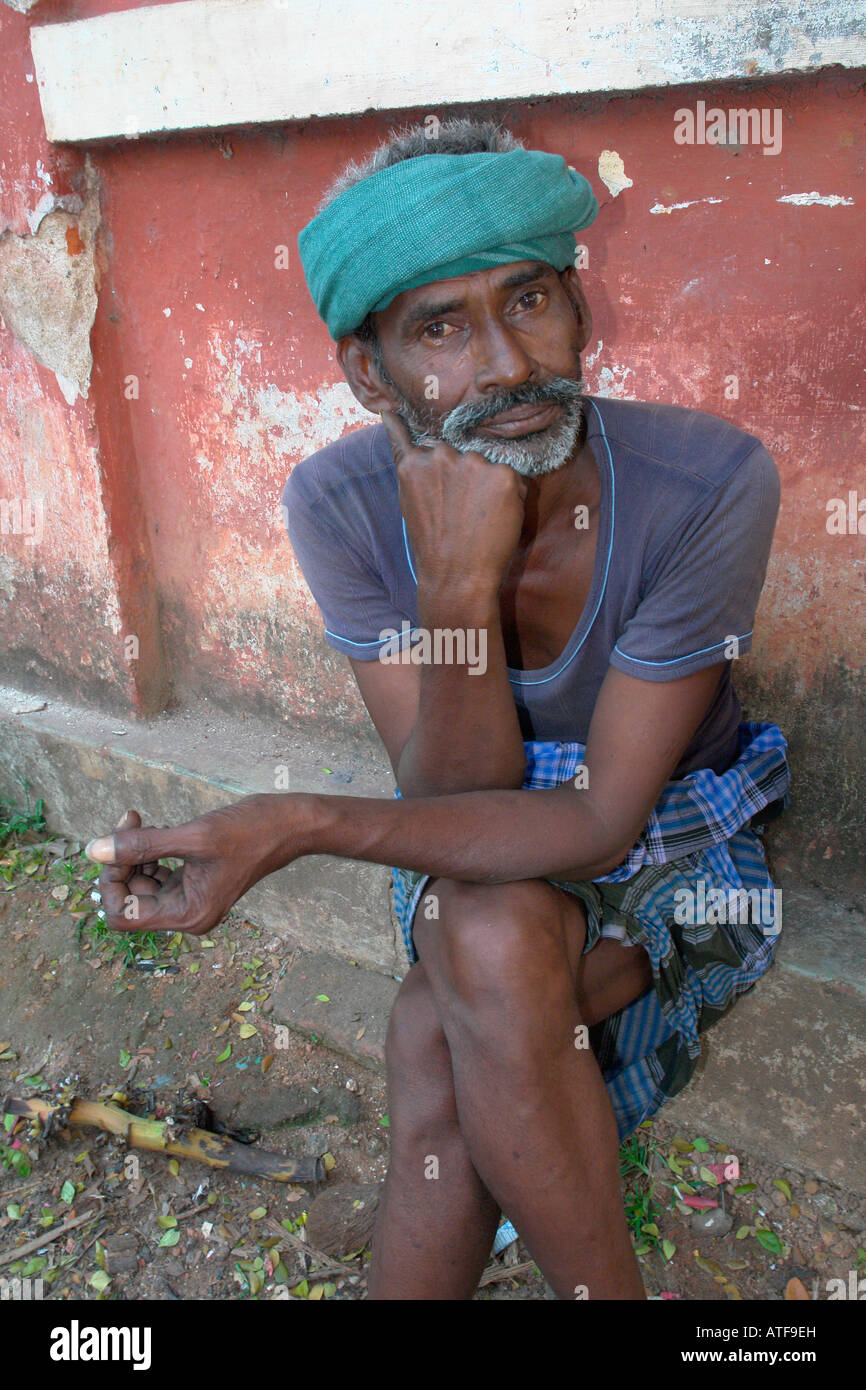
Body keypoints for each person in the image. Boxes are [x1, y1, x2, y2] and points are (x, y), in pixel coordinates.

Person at [86, 118, 790, 1301]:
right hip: (474, 847)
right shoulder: (338, 501)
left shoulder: (709, 481)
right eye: (439, 329)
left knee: (438, 1022)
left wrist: (296, 821)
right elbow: (457, 800)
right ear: (371, 373)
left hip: (672, 831)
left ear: (579, 309)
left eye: (527, 302)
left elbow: (601, 822)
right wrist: (457, 583)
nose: (505, 365)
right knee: (482, 950)